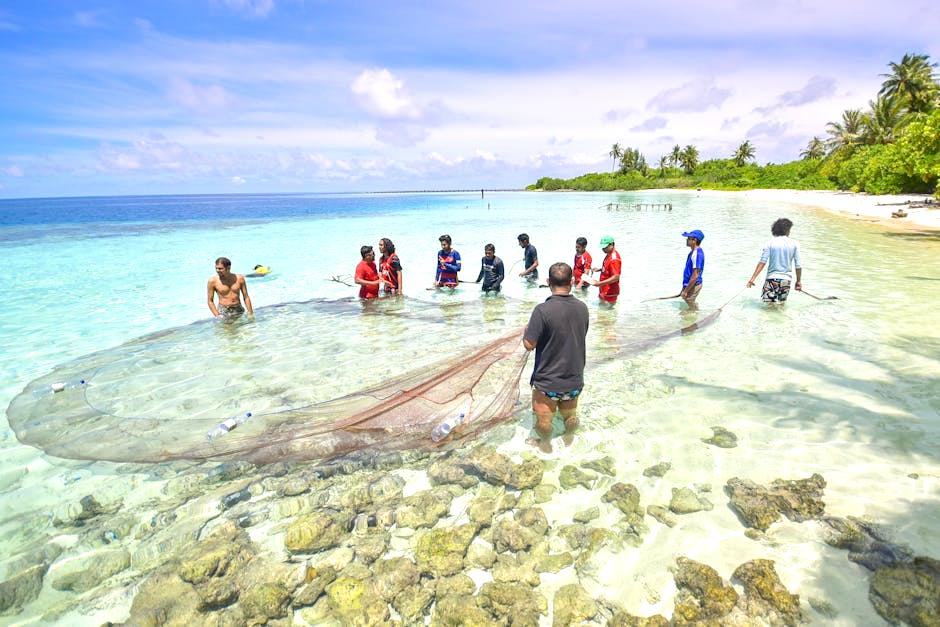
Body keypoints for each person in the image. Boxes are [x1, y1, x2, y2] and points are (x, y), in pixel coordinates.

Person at [523, 262, 589, 452]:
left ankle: (545, 444)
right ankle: (569, 438)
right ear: (573, 281)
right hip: (574, 380)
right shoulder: (582, 308)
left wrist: (526, 332)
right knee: (570, 416)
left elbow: (529, 345)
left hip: (548, 384)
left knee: (543, 421)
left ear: (548, 282)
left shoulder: (542, 310)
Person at [747, 218, 803, 303]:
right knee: (781, 305)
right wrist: (798, 281)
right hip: (786, 281)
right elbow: (798, 265)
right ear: (787, 230)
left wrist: (752, 279)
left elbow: (762, 262)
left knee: (767, 308)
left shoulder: (770, 243)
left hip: (771, 280)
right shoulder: (795, 244)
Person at [589, 236, 621, 303]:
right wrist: (600, 269)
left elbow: (616, 277)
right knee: (602, 310)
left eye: (605, 247)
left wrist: (599, 283)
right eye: (602, 247)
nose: (603, 249)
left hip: (610, 291)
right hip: (604, 289)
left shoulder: (614, 259)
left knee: (608, 311)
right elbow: (610, 269)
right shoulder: (609, 254)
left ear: (612, 245)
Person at [680, 229, 705, 307]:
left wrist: (686, 291)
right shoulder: (693, 252)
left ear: (694, 240)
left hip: (694, 285)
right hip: (691, 284)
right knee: (690, 303)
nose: (687, 240)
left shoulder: (697, 254)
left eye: (688, 238)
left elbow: (695, 276)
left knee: (690, 303)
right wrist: (684, 287)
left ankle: (696, 315)